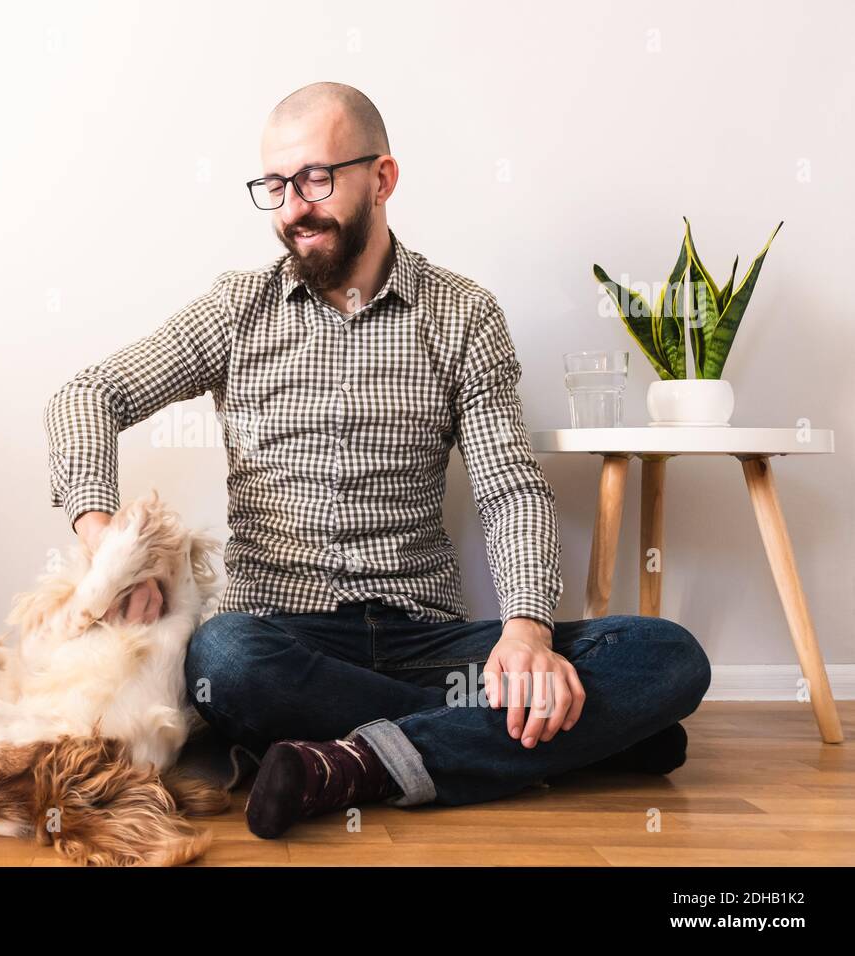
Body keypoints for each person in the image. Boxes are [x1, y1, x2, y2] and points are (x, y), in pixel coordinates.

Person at [44, 81, 712, 839]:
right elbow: (87, 393)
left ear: (383, 178)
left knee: (668, 654)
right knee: (223, 659)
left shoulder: (463, 314)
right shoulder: (237, 308)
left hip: (426, 638)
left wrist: (525, 630)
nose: (293, 206)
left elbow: (510, 490)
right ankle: (558, 740)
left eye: (316, 179)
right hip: (284, 640)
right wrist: (108, 550)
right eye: (275, 186)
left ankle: (352, 762)